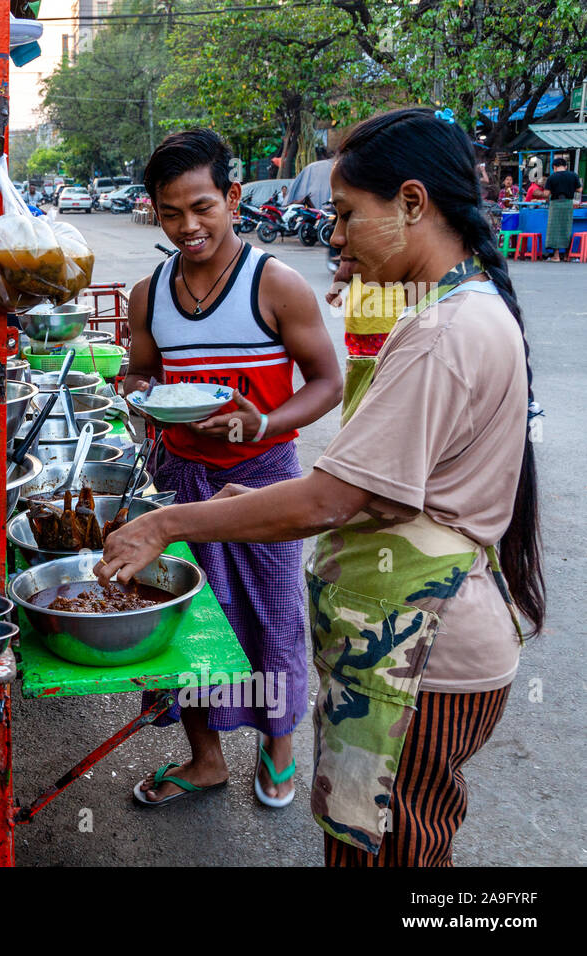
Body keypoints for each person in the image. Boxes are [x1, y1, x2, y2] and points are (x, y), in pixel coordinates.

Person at [100, 108, 543, 867]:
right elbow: (371, 446)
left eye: (345, 216)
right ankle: (211, 752)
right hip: (402, 637)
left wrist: (170, 523)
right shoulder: (446, 309)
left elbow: (338, 496)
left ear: (411, 202)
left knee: (386, 850)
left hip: (421, 655)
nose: (332, 238)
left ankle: (271, 747)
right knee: (381, 842)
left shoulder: (445, 333)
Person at [123, 128, 343, 810]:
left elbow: (326, 382)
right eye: (170, 212)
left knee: (270, 619)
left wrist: (264, 421)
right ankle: (206, 758)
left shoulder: (275, 283)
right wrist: (137, 397)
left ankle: (278, 750)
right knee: (185, 623)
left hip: (266, 476)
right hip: (179, 476)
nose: (188, 225)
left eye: (202, 206)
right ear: (154, 212)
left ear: (233, 197)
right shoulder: (149, 292)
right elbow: (139, 372)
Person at [544, 157, 582, 262]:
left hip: (556, 204)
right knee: (566, 228)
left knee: (554, 229)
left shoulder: (552, 177)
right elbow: (579, 189)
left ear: (554, 167)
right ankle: (566, 255)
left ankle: (556, 256)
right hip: (568, 204)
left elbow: (546, 193)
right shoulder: (573, 175)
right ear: (565, 166)